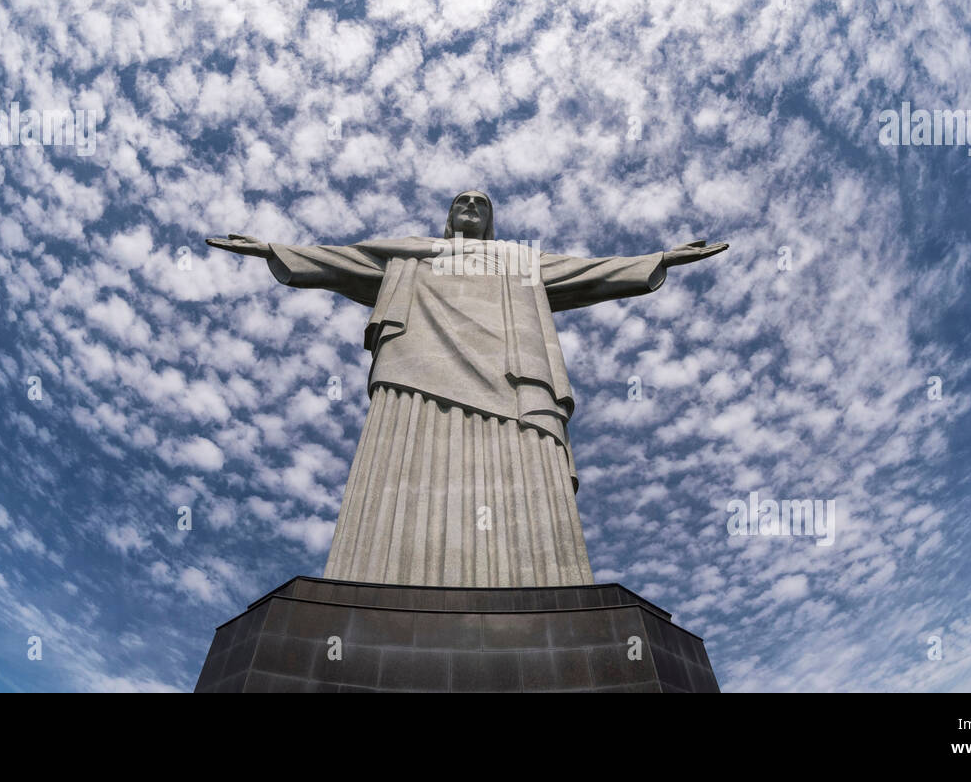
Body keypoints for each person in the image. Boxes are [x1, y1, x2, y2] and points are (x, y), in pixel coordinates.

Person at [207, 190, 726, 588]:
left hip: (513, 378)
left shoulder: (518, 260)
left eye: (481, 202)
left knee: (522, 466)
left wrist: (657, 259)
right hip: (415, 371)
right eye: (463, 202)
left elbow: (590, 271)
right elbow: (335, 260)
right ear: (449, 217)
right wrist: (272, 249)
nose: (472, 206)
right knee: (405, 464)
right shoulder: (409, 253)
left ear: (491, 219)